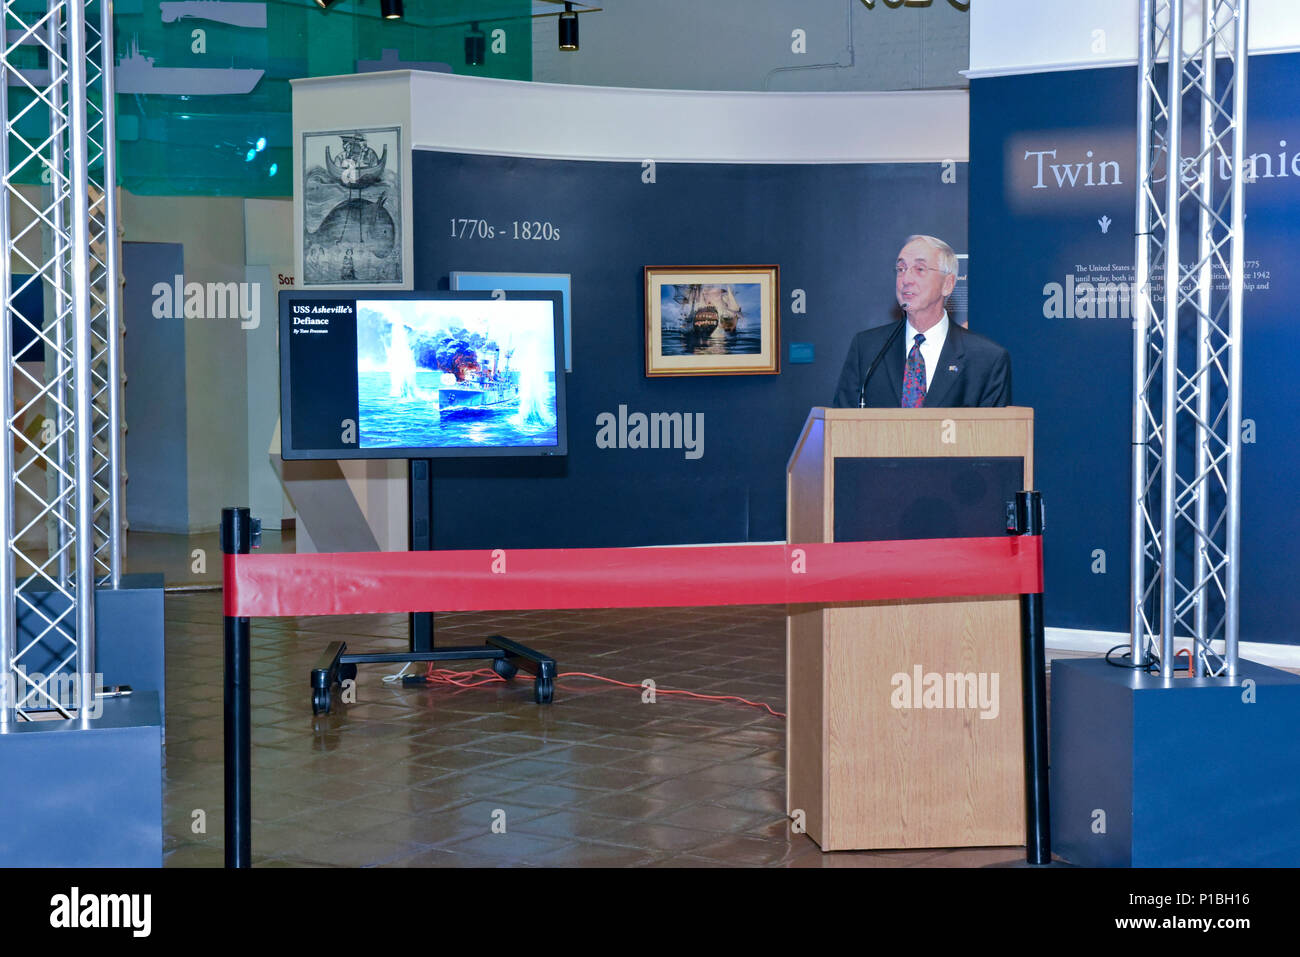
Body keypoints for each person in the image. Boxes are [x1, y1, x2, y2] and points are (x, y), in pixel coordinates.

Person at [832, 235, 1011, 408]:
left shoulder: (986, 359)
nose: (906, 280)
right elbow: (841, 427)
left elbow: (993, 436)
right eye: (901, 269)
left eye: (920, 269)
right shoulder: (868, 349)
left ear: (947, 284)